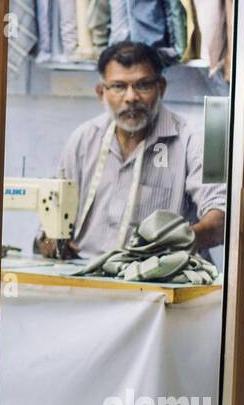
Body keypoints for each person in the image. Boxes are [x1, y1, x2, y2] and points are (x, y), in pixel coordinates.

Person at [36, 40, 226, 261]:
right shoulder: (83, 139)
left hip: (162, 279)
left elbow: (220, 220)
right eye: (118, 86)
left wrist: (176, 242)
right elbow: (51, 214)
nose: (131, 97)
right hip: (86, 275)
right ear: (101, 93)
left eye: (143, 85)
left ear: (161, 88)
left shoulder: (194, 139)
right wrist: (48, 241)